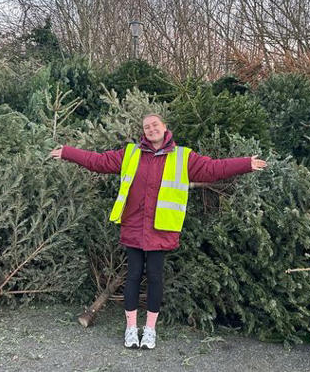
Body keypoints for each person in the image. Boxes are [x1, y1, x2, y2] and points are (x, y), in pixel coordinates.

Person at [50, 113, 267, 350]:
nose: (151, 129)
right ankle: (131, 328)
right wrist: (68, 153)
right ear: (143, 132)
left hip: (161, 228)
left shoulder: (184, 156)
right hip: (133, 226)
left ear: (165, 127)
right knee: (132, 277)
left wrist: (245, 164)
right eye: (147, 126)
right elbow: (98, 161)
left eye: (155, 125)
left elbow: (213, 168)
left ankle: (150, 330)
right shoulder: (130, 153)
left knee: (155, 278)